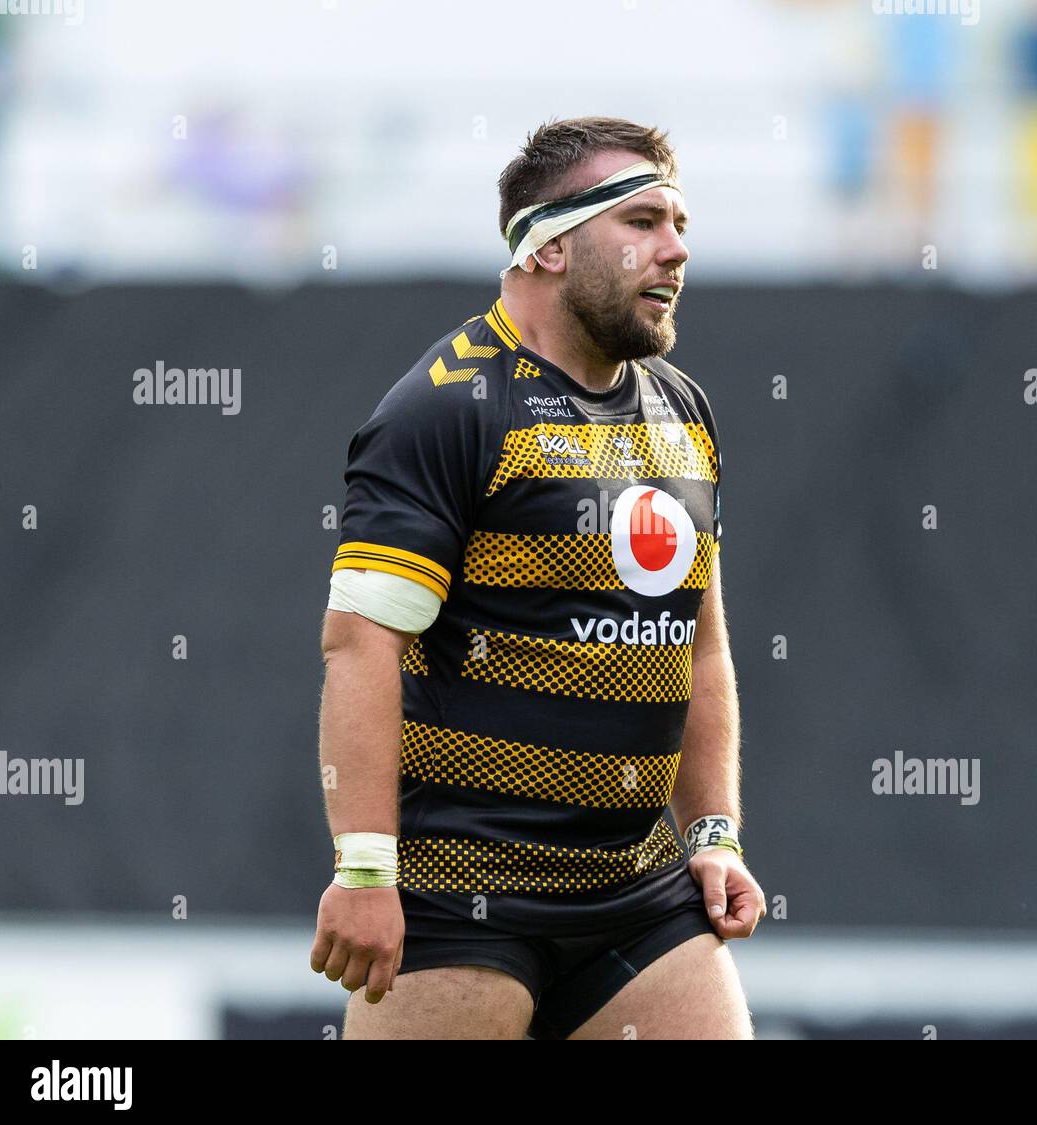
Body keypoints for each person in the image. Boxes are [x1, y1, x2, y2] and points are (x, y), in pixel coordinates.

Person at [310, 116, 764, 1039]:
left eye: (680, 224)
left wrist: (714, 834)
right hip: (462, 893)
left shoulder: (681, 410)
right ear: (550, 247)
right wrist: (363, 871)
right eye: (643, 222)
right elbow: (360, 646)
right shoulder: (444, 408)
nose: (676, 250)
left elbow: (699, 642)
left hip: (636, 891)